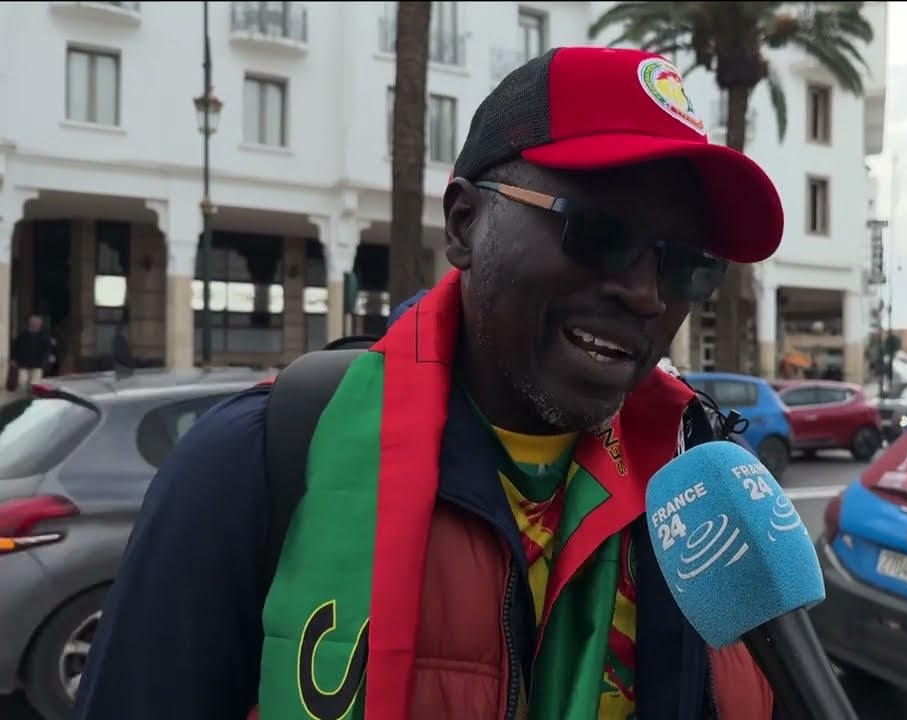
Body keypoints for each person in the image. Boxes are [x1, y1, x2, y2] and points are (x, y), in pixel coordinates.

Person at [76, 46, 785, 720]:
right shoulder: (253, 465)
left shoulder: (700, 496)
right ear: (464, 224)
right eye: (599, 234)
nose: (645, 294)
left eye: (685, 265)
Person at [9, 314, 52, 390]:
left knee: (35, 384)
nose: (35, 324)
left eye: (37, 322)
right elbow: (16, 347)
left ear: (40, 323)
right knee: (22, 383)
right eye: (33, 321)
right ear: (29, 322)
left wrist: (45, 362)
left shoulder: (44, 336)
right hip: (23, 364)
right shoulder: (22, 335)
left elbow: (47, 350)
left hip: (37, 364)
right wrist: (13, 359)